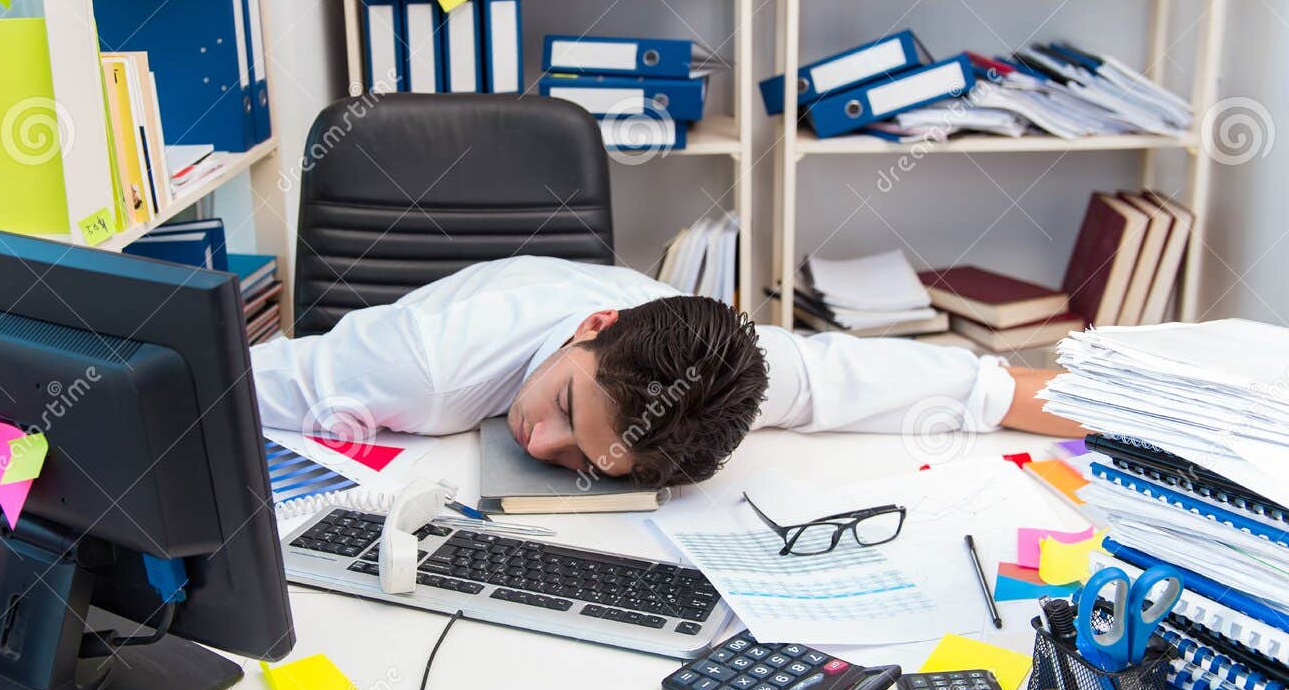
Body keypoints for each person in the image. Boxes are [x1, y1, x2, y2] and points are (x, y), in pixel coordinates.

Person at [250, 255, 1077, 488]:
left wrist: (1140, 418)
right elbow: (225, 384)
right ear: (593, 327)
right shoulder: (419, 366)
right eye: (567, 406)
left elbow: (960, 386)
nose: (542, 446)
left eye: (587, 463)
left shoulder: (739, 376)